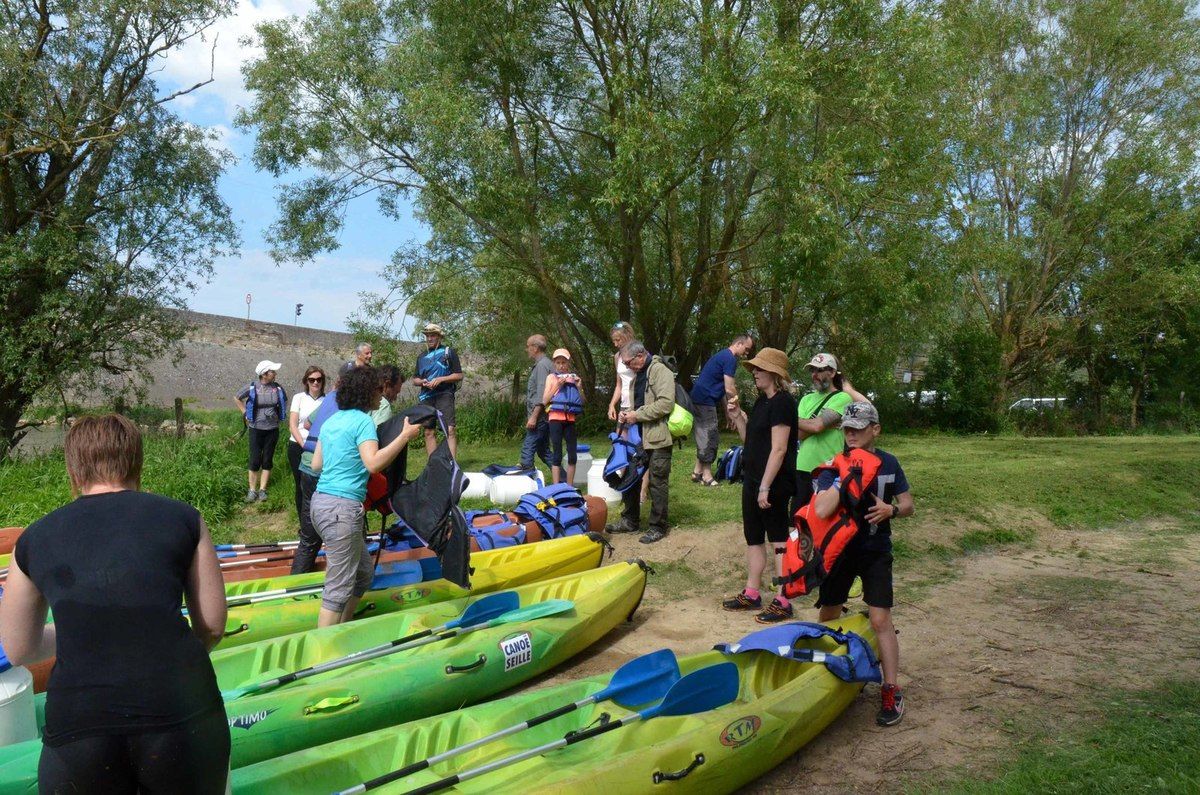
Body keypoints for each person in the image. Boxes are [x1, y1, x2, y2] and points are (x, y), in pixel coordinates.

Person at [0, 415, 229, 794]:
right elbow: (213, 625)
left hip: (80, 726)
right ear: (138, 463)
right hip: (181, 713)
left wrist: (81, 634)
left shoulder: (33, 539)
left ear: (73, 471)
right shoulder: (185, 518)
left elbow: (19, 648)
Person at [813, 401, 914, 726]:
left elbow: (908, 504)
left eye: (857, 428)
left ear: (875, 429)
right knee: (828, 614)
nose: (851, 434)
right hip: (840, 553)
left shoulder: (889, 463)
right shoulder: (835, 464)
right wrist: (844, 477)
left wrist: (891, 510)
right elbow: (821, 510)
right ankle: (823, 674)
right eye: (847, 429)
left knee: (881, 619)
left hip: (875, 551)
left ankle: (891, 688)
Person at [309, 366, 421, 627]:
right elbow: (373, 463)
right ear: (366, 392)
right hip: (341, 511)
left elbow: (316, 465)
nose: (381, 395)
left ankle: (344, 626)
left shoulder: (331, 421)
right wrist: (404, 436)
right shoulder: (363, 422)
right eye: (378, 390)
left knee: (362, 574)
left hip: (320, 503)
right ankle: (324, 647)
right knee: (338, 588)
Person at [720, 348, 799, 623]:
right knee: (753, 537)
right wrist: (737, 416)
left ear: (774, 374)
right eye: (753, 368)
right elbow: (750, 440)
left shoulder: (783, 403)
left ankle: (783, 599)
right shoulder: (762, 401)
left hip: (773, 482)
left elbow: (779, 449)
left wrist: (765, 486)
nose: (754, 372)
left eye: (759, 368)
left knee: (778, 539)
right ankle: (752, 593)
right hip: (753, 478)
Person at [611, 341, 676, 544]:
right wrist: (627, 414)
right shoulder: (638, 373)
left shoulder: (660, 371)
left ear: (640, 356)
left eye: (628, 363)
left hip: (658, 438)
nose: (627, 367)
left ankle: (658, 527)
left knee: (657, 482)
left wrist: (637, 415)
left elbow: (666, 403)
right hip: (636, 437)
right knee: (630, 477)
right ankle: (630, 520)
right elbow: (638, 402)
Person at [793, 352, 868, 518]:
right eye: (812, 370)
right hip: (802, 467)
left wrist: (798, 420)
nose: (815, 375)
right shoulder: (806, 399)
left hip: (827, 469)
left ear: (832, 372)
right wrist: (814, 424)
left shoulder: (843, 398)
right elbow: (799, 434)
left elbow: (817, 426)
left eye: (820, 370)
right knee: (798, 521)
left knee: (823, 520)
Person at [691, 334, 755, 486]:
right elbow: (730, 388)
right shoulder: (730, 359)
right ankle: (707, 476)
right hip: (705, 400)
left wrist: (727, 412)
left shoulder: (723, 355)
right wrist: (739, 410)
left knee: (704, 435)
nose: (746, 353)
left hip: (700, 398)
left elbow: (722, 391)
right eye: (746, 349)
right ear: (738, 344)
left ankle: (697, 471)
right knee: (710, 436)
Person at [235, 360, 287, 502]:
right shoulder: (252, 387)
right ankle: (252, 490)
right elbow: (237, 397)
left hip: (272, 429)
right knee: (255, 459)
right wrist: (245, 412)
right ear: (264, 374)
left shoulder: (278, 388)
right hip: (255, 429)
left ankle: (262, 490)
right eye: (272, 372)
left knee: (267, 459)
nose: (275, 374)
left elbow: (284, 401)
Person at [413, 324, 463, 457]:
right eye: (427, 336)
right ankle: (433, 465)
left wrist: (441, 379)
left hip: (445, 395)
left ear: (439, 337)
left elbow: (459, 375)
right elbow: (415, 379)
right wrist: (422, 382)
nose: (429, 338)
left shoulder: (448, 352)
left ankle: (452, 465)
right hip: (426, 397)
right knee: (428, 431)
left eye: (433, 335)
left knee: (450, 430)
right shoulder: (421, 357)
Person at [287, 366, 326, 527]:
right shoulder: (299, 398)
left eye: (319, 379)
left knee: (319, 486)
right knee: (301, 486)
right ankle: (304, 524)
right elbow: (293, 425)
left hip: (319, 447)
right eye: (312, 380)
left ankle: (319, 522)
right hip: (298, 445)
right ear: (306, 382)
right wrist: (304, 445)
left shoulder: (327, 400)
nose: (315, 382)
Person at [542, 348, 583, 485]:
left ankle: (569, 487)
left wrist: (579, 387)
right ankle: (556, 487)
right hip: (555, 419)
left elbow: (582, 401)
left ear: (568, 363)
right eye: (558, 362)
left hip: (570, 420)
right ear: (554, 363)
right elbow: (544, 400)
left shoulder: (574, 378)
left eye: (564, 362)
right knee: (557, 455)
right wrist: (557, 386)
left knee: (572, 455)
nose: (561, 365)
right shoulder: (551, 378)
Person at [519, 334, 555, 471]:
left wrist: (534, 417)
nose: (526, 349)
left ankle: (526, 475)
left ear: (535, 348)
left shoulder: (542, 366)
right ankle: (563, 479)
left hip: (540, 417)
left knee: (527, 451)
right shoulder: (547, 364)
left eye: (528, 346)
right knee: (543, 451)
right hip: (544, 416)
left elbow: (541, 394)